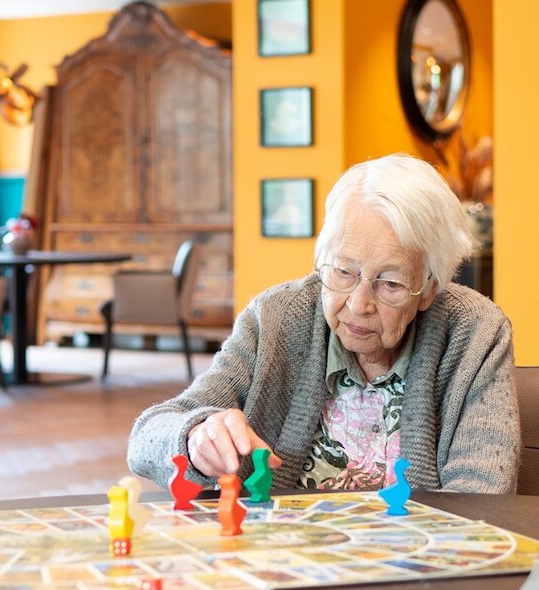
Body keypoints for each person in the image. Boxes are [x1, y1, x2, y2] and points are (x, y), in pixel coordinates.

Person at [127, 154, 519, 495]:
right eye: (344, 271)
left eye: (391, 283)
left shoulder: (476, 333)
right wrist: (195, 437)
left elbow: (481, 497)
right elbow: (147, 438)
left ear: (429, 288)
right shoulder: (275, 319)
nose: (359, 304)